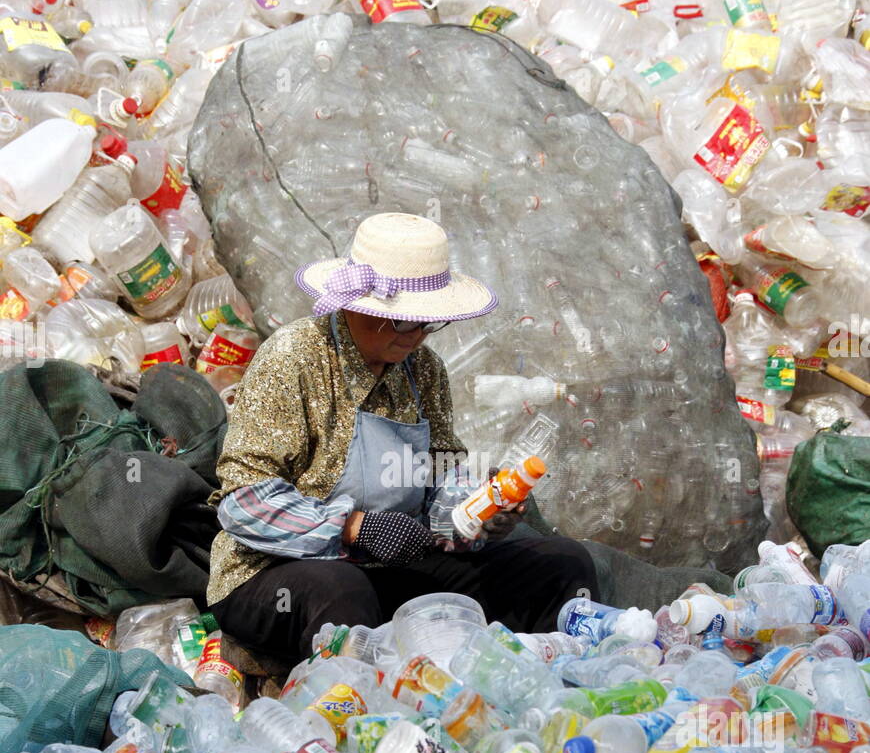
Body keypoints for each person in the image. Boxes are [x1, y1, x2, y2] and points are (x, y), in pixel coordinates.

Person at [206, 213, 727, 667]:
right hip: (275, 573)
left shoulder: (423, 371)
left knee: (559, 563)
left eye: (426, 323)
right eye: (400, 320)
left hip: (389, 567)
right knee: (343, 591)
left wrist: (479, 513)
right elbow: (243, 504)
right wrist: (350, 527)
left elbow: (441, 481)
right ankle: (361, 718)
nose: (413, 335)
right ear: (354, 305)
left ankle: (537, 678)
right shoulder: (295, 357)